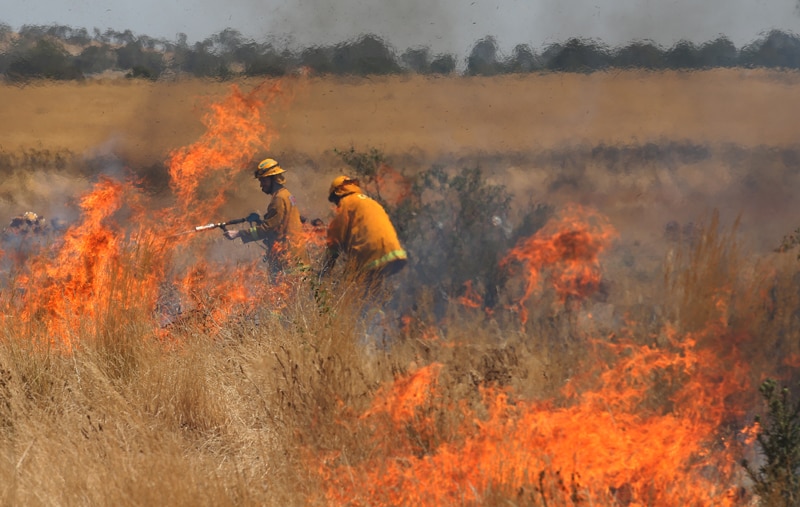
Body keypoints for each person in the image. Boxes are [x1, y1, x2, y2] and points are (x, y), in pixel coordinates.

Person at [321, 175, 408, 291]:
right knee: (372, 291)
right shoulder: (369, 201)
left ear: (337, 193)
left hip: (370, 251)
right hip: (392, 250)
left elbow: (336, 237)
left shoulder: (347, 203)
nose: (336, 204)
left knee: (352, 291)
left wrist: (325, 269)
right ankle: (376, 309)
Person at [223, 158, 307, 272]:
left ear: (274, 178)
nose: (261, 185)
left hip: (287, 261)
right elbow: (280, 224)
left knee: (281, 289)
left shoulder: (278, 199)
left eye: (264, 180)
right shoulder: (287, 195)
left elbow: (267, 229)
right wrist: (260, 221)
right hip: (297, 256)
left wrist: (238, 233)